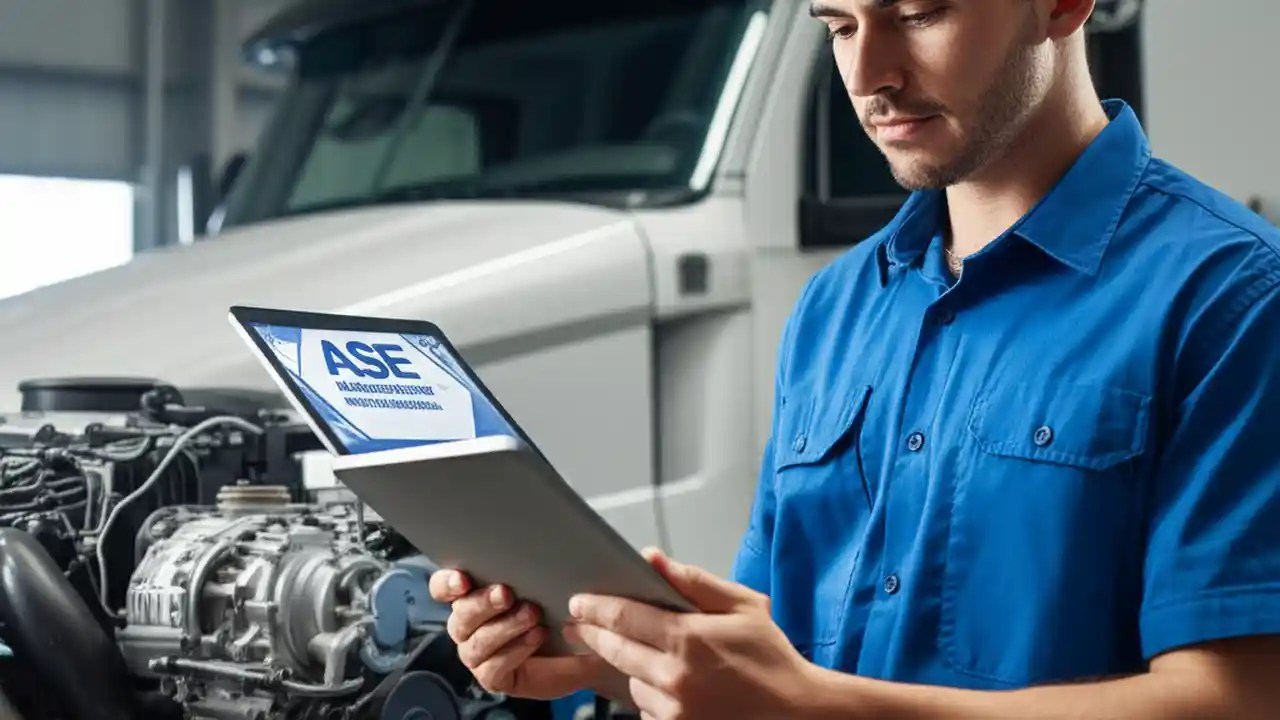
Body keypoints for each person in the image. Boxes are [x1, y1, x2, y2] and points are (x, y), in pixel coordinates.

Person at [430, 0, 1280, 716]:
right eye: (838, 24)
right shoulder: (836, 307)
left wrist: (812, 707)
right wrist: (606, 653)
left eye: (917, 12)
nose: (871, 71)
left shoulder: (1232, 294)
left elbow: (1237, 698)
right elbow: (793, 647)